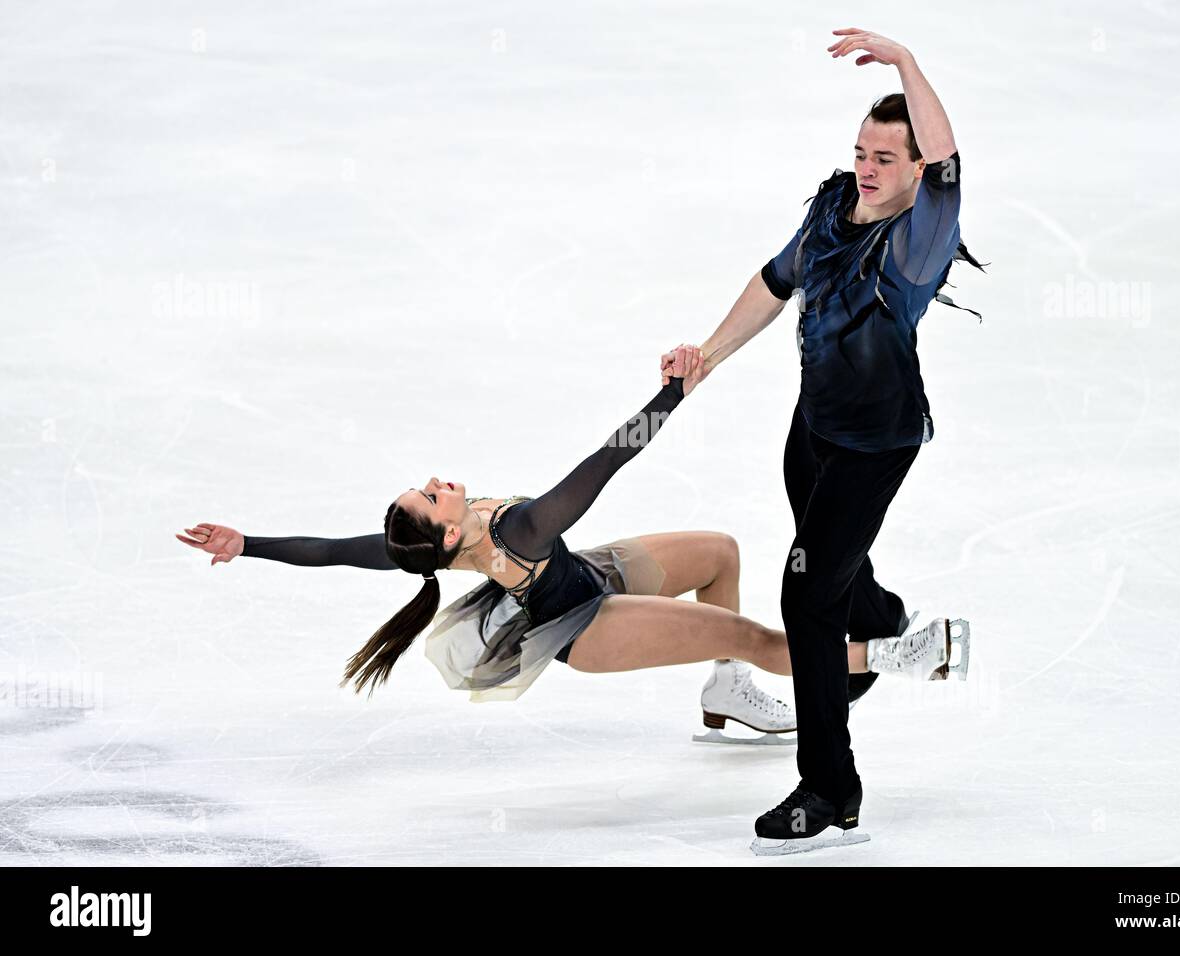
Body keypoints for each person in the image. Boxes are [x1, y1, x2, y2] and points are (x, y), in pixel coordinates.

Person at [177, 348, 948, 744]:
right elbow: (609, 459)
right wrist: (676, 390)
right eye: (432, 492)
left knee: (719, 551)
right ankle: (898, 658)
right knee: (755, 637)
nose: (439, 480)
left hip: (591, 573)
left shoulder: (429, 546)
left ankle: (723, 693)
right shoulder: (515, 531)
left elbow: (333, 549)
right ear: (448, 533)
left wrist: (246, 543)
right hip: (587, 626)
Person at [658, 29, 979, 853]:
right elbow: (774, 283)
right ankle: (886, 620)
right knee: (835, 570)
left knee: (807, 597)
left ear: (915, 170)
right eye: (863, 150)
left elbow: (949, 162)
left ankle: (831, 788)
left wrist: (908, 63)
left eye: (886, 156)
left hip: (876, 442)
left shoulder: (920, 237)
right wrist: (708, 357)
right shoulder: (834, 209)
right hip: (813, 432)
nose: (870, 166)